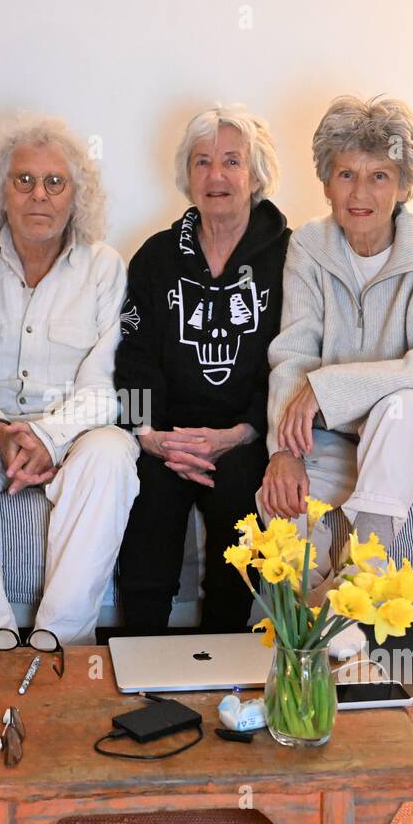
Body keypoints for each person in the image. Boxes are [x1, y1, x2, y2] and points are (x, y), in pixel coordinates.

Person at [261, 94, 413, 599]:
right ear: (325, 183)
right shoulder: (308, 247)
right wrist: (283, 450)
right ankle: (302, 647)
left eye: (380, 176)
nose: (360, 192)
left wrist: (333, 387)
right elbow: (293, 354)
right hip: (347, 443)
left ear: (405, 185)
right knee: (278, 500)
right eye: (346, 175)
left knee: (402, 408)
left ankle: (357, 587)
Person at [0, 115, 138, 647]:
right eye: (24, 180)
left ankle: (57, 645)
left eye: (54, 182)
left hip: (73, 435)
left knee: (113, 453)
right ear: (2, 191)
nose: (38, 195)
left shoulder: (105, 269)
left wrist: (46, 437)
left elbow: (107, 385)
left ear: (75, 195)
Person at [114, 104, 290, 634]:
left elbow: (295, 353)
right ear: (186, 177)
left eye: (232, 162)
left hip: (245, 431)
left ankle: (224, 649)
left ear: (257, 175)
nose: (217, 176)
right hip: (167, 434)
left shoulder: (292, 256)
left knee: (241, 490)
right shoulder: (156, 257)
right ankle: (141, 650)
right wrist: (149, 434)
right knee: (148, 489)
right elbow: (133, 351)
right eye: (202, 162)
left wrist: (242, 431)